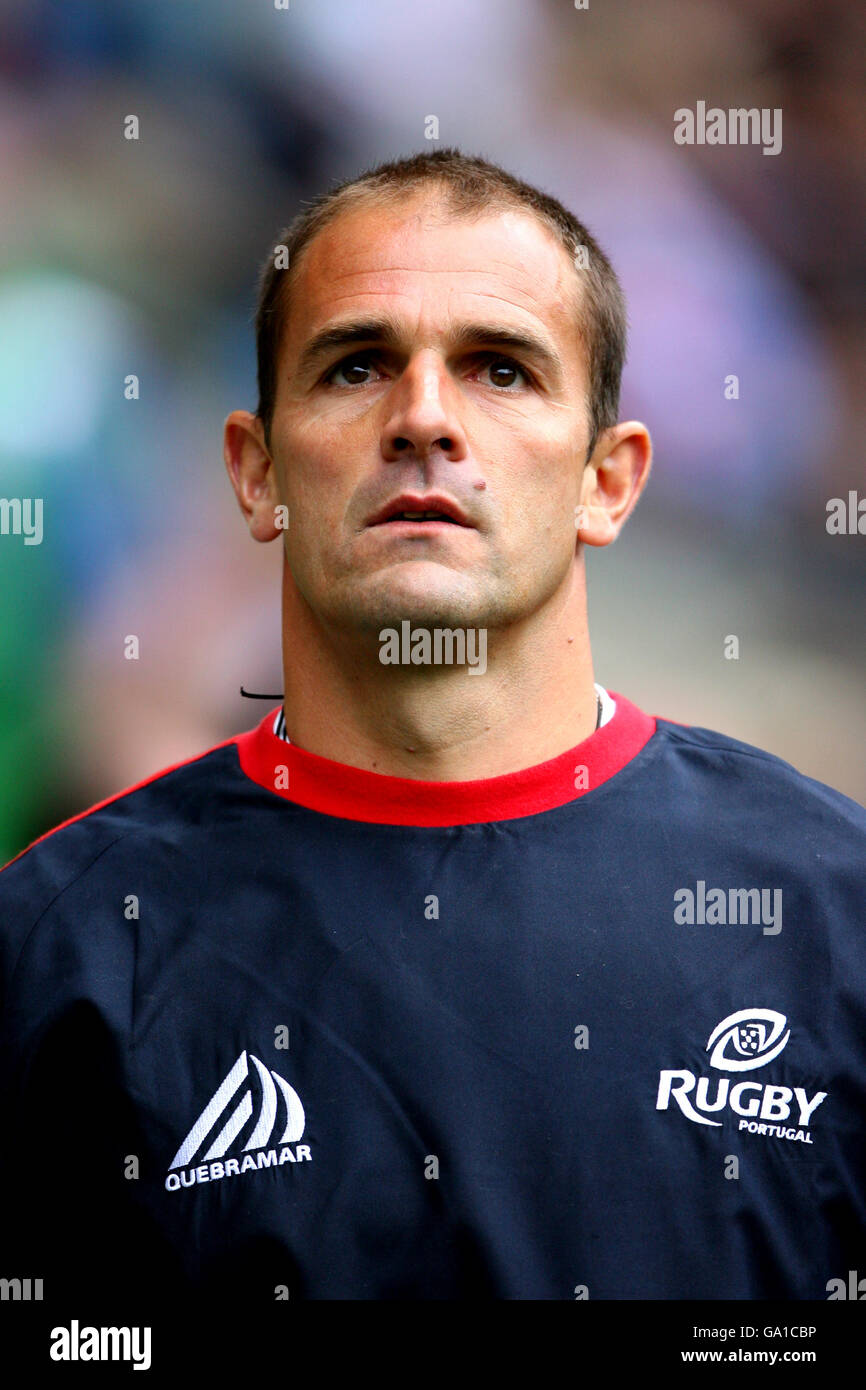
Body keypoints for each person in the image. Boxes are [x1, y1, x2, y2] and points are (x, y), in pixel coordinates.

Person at [0, 149, 863, 1313]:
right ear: (256, 474)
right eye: (357, 366)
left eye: (498, 370)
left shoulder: (830, 912)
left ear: (606, 482)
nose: (422, 418)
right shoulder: (59, 945)